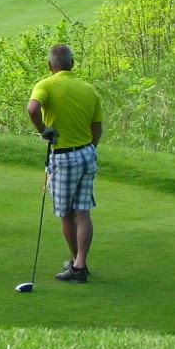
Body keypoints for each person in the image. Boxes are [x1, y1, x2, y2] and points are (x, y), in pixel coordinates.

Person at [26, 43, 103, 283]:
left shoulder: (45, 84)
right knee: (82, 212)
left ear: (51, 65)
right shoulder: (88, 89)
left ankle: (78, 265)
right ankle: (79, 264)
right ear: (72, 64)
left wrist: (43, 130)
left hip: (63, 157)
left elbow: (32, 108)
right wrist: (89, 150)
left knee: (65, 214)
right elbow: (97, 129)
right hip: (87, 154)